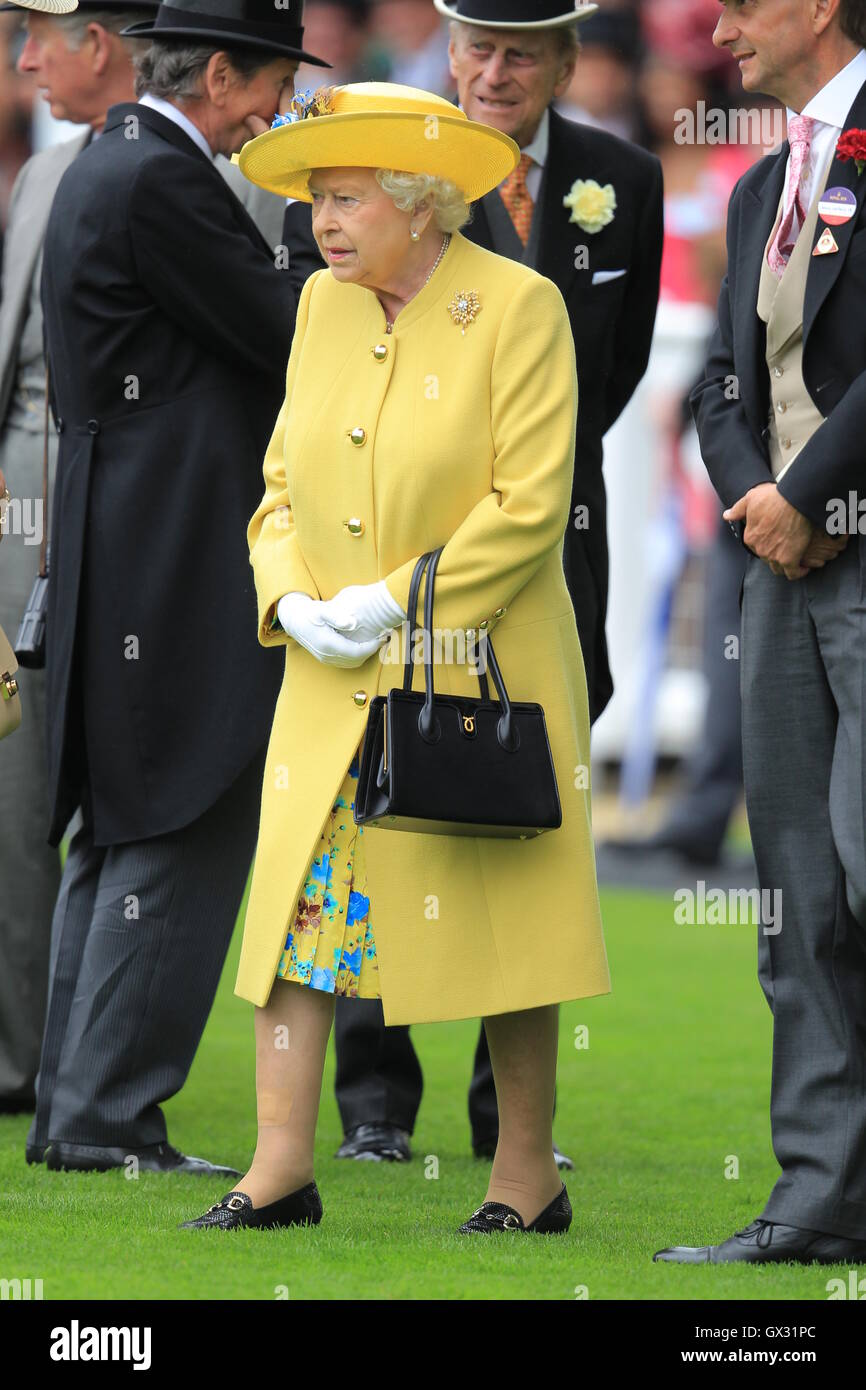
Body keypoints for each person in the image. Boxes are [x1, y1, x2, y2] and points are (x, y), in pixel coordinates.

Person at [180, 80, 610, 1234]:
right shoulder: (321, 306)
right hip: (329, 680)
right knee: (300, 922)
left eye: (347, 196)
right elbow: (275, 487)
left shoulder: (517, 306)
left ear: (422, 201)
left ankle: (526, 1176)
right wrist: (292, 600)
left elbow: (528, 508)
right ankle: (278, 1168)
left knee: (499, 931)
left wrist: (392, 602)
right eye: (318, 199)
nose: (323, 220)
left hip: (474, 672)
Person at [283, 0, 662, 1169]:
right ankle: (375, 1107)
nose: (493, 72)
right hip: (377, 554)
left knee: (505, 822)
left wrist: (500, 522)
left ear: (563, 62)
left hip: (544, 551)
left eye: (519, 54)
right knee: (366, 808)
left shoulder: (618, 179)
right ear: (448, 56)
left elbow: (616, 370)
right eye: (476, 50)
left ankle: (511, 1139)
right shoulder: (389, 169)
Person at [28, 0, 328, 1179]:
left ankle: (81, 1109)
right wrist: (325, 217)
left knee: (120, 831)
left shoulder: (114, 160)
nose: (278, 113)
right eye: (269, 88)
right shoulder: (161, 176)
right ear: (214, 71)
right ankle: (104, 1116)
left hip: (128, 540)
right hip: (173, 552)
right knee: (182, 818)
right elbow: (286, 330)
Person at [655, 0, 866, 1265]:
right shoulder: (757, 187)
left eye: (740, 3)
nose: (719, 26)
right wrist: (762, 501)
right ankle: (818, 1196)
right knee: (798, 894)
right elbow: (720, 383)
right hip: (778, 568)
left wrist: (814, 492)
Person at [0, 1, 156, 1116]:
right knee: (11, 804)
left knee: (130, 811)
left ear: (95, 40)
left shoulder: (212, 174)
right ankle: (20, 1065)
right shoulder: (41, 178)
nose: (21, 61)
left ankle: (85, 1078)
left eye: (34, 35)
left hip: (144, 535)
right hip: (18, 527)